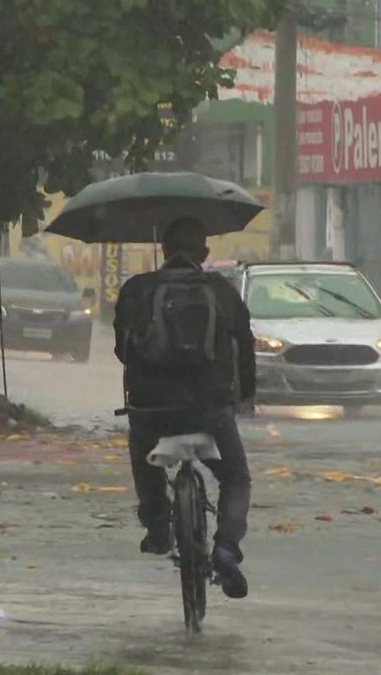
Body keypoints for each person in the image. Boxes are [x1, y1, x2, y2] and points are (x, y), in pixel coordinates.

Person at [112, 216, 256, 599]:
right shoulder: (221, 291)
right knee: (235, 477)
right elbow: (245, 345)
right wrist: (245, 395)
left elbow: (120, 351)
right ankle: (226, 546)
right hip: (209, 407)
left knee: (143, 455)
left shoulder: (137, 290)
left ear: (162, 251)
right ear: (205, 253)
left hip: (150, 409)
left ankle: (158, 526)